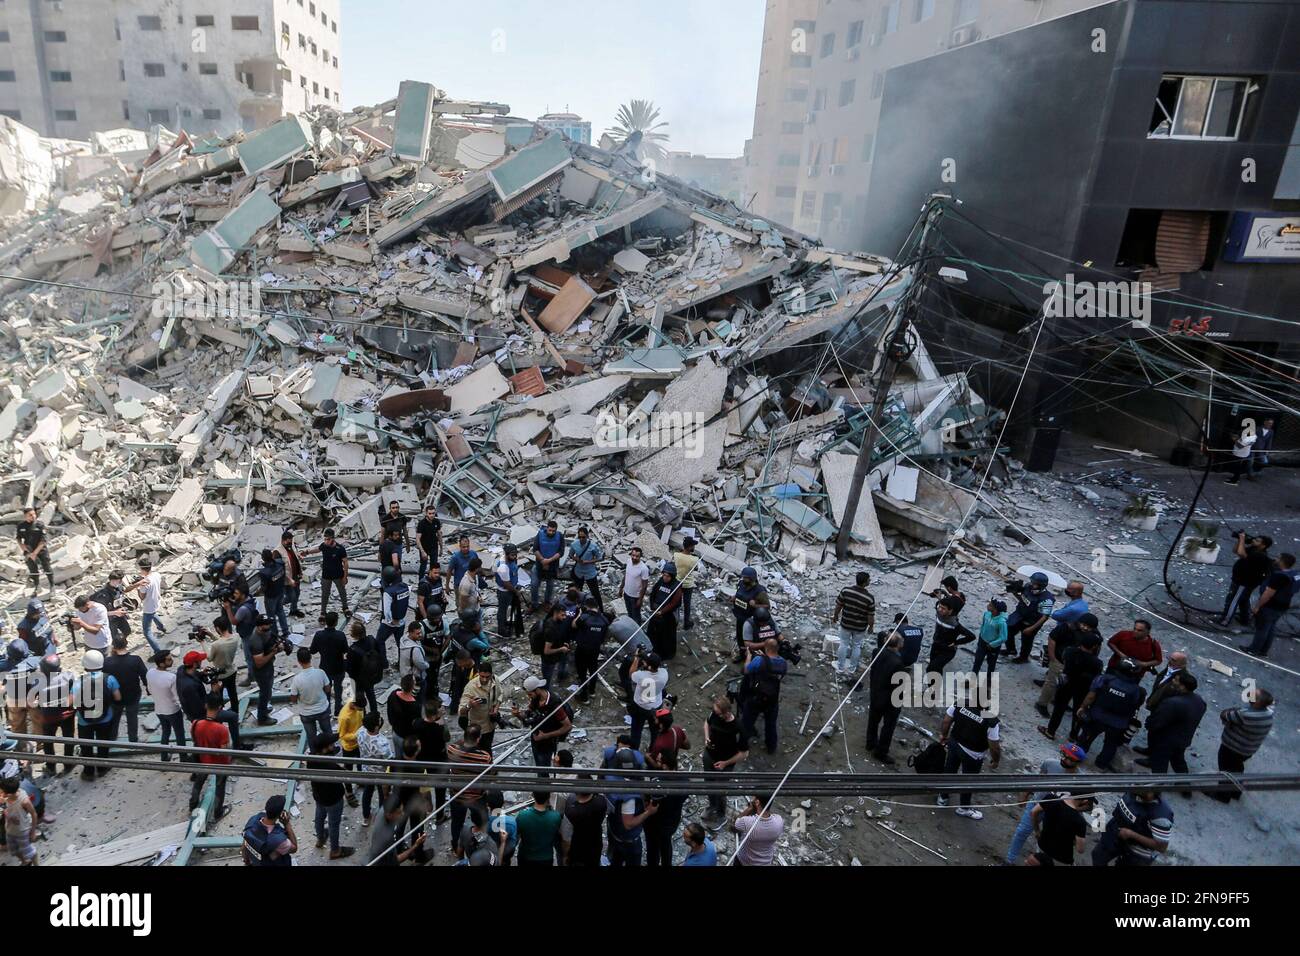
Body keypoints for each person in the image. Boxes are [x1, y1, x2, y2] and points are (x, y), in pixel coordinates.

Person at [1005, 742, 1085, 865]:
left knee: (1049, 842)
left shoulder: (1081, 780)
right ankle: (1009, 860)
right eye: (1064, 755)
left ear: (1077, 763)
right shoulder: (1050, 763)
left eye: (1070, 759)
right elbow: (1038, 780)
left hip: (1056, 813)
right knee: (1022, 831)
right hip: (1038, 802)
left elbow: (1083, 803)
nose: (1064, 759)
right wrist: (1025, 794)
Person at [1076, 658, 1147, 770]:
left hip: (1097, 716)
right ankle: (1101, 764)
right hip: (1119, 723)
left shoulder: (1104, 679)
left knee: (1085, 737)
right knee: (1111, 744)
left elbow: (1091, 696)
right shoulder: (1139, 691)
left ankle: (1076, 757)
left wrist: (1082, 707)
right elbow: (1135, 706)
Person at [937, 698, 1001, 818]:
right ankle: (964, 807)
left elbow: (946, 721)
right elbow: (994, 746)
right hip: (973, 755)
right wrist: (996, 760)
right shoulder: (990, 719)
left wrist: (944, 735)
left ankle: (942, 797)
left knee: (949, 770)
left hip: (955, 744)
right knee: (969, 781)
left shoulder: (960, 704)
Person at [1138, 671, 1206, 779]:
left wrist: (1150, 725)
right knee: (1178, 761)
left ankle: (1156, 787)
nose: (1173, 681)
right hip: (1184, 738)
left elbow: (1159, 721)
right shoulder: (1200, 701)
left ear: (1183, 686)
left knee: (1159, 764)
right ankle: (1184, 785)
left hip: (1166, 740)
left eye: (1176, 680)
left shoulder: (1172, 703)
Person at [1039, 630, 1103, 742]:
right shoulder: (1097, 663)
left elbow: (1065, 662)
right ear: (1094, 647)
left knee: (1059, 709)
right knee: (1078, 712)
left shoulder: (1069, 652)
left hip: (1067, 684)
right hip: (1083, 688)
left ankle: (1051, 731)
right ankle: (1073, 736)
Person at [1213, 687, 1274, 802]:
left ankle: (1223, 796)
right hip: (1248, 749)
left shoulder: (1245, 714)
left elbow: (1225, 714)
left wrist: (1233, 710)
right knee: (1237, 768)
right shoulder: (1268, 714)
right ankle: (1236, 792)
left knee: (1225, 771)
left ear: (1257, 702)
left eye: (1253, 694)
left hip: (1233, 748)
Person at [1036, 612, 1101, 717]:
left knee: (1066, 685)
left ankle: (1057, 700)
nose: (1084, 628)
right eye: (1083, 624)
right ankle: (1042, 704)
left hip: (1076, 666)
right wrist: (1053, 658)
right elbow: (1052, 639)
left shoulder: (1094, 634)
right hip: (1059, 660)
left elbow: (1096, 648)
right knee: (1052, 683)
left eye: (1088, 627)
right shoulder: (1068, 627)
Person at [71, 650, 121, 780]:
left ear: (85, 665)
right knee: (103, 743)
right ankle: (102, 768)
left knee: (86, 747)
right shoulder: (109, 678)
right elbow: (118, 697)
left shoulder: (78, 682)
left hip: (84, 721)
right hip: (105, 718)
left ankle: (88, 772)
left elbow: (70, 702)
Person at [1092, 789, 1173, 866]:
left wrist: (1131, 834)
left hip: (1138, 852)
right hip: (1115, 835)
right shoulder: (1134, 791)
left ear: (1152, 791)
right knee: (1098, 856)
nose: (1135, 784)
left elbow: (1162, 847)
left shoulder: (1161, 816)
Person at [307, 732, 355, 860]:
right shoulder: (330, 766)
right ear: (325, 748)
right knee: (334, 825)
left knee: (319, 817)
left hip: (319, 796)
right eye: (331, 744)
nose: (333, 745)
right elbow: (345, 776)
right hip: (333, 799)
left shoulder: (311, 758)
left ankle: (320, 838)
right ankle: (335, 850)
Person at [605, 749, 656, 867]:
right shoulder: (629, 796)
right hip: (628, 840)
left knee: (616, 859)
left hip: (614, 829)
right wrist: (649, 812)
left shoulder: (609, 776)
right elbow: (628, 824)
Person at [446, 724, 492, 856]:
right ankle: (479, 846)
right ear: (478, 739)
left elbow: (456, 744)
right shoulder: (484, 757)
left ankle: (456, 847)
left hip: (457, 794)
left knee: (457, 822)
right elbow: (489, 776)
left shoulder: (452, 750)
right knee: (480, 822)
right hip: (476, 797)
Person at [702, 696, 749, 823]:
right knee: (708, 783)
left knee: (720, 790)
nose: (717, 716)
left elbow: (744, 754)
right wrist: (707, 738)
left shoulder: (738, 728)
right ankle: (712, 806)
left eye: (719, 714)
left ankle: (721, 813)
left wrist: (725, 763)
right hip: (709, 756)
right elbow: (707, 723)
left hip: (725, 764)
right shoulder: (714, 714)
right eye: (715, 713)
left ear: (727, 712)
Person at [513, 675, 573, 770]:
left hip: (547, 743)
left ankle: (544, 780)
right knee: (539, 763)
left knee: (543, 766)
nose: (529, 697)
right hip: (536, 737)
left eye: (530, 694)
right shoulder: (535, 699)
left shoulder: (554, 705)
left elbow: (567, 726)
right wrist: (518, 715)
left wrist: (545, 736)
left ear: (537, 690)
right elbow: (528, 715)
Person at [1242, 553, 1295, 658]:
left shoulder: (1279, 577)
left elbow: (1268, 593)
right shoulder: (1294, 574)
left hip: (1270, 606)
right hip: (1283, 605)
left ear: (1282, 561)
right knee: (1271, 627)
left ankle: (1253, 649)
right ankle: (1263, 650)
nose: (1276, 559)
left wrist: (1257, 606)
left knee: (1262, 628)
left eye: (1278, 558)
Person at [190, 694, 233, 819]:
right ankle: (218, 812)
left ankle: (193, 804)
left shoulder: (196, 724)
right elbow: (224, 751)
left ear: (205, 706)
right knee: (219, 787)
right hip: (220, 763)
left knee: (198, 782)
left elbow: (195, 740)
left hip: (204, 760)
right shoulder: (222, 729)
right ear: (220, 708)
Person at [866, 633, 905, 763]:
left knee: (873, 720)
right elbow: (898, 686)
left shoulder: (876, 652)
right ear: (898, 644)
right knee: (888, 726)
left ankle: (870, 743)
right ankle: (881, 752)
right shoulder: (898, 663)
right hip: (889, 698)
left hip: (876, 692)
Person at [644, 752, 688, 866]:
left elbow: (651, 803)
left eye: (659, 761)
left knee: (653, 848)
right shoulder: (685, 780)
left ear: (665, 765)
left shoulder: (658, 782)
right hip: (672, 820)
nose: (656, 762)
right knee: (666, 844)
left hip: (656, 822)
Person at [1220, 532, 1272, 626]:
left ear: (1263, 545)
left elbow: (1242, 553)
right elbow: (1236, 551)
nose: (1253, 541)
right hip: (1240, 580)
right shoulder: (1253, 549)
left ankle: (1225, 620)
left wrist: (1243, 539)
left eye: (1257, 541)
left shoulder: (1260, 555)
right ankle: (1245, 619)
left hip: (1244, 582)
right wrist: (1239, 540)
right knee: (1243, 600)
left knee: (1233, 600)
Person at [103, 634, 148, 743]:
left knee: (114, 718)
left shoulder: (107, 661)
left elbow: (104, 679)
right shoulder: (136, 660)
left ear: (113, 646)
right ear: (126, 644)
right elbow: (144, 676)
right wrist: (148, 688)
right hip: (133, 695)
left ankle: (112, 738)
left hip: (115, 696)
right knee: (132, 718)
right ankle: (133, 739)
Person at [1027, 794, 1094, 867]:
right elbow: (1080, 850)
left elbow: (1033, 812)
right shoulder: (1079, 821)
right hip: (1062, 859)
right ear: (1085, 801)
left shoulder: (1051, 799)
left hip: (1042, 847)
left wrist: (1037, 831)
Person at [35, 656, 76, 775]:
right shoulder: (68, 677)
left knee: (48, 742)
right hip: (66, 715)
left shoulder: (38, 681)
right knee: (68, 738)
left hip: (48, 717)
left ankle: (51, 767)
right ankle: (68, 765)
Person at [831, 572, 876, 676]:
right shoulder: (869, 598)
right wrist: (871, 626)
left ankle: (840, 667)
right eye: (869, 580)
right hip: (860, 627)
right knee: (856, 646)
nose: (870, 581)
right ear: (865, 583)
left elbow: (839, 605)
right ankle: (852, 668)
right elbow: (870, 615)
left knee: (843, 644)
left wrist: (835, 616)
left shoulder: (846, 590)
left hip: (846, 623)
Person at [146, 649, 187, 760]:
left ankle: (164, 756)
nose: (171, 661)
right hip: (172, 710)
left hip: (159, 709)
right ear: (161, 663)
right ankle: (183, 757)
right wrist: (183, 709)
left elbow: (149, 689)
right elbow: (177, 696)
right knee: (180, 734)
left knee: (166, 732)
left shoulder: (150, 672)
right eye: (169, 660)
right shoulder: (171, 677)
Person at [356, 710, 394, 825]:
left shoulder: (361, 732)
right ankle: (382, 817)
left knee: (367, 792)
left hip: (367, 769)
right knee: (383, 795)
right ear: (377, 726)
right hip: (381, 774)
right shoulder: (382, 742)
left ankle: (366, 816)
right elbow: (389, 760)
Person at [1007, 571, 1055, 661]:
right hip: (1019, 615)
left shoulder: (1047, 600)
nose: (1031, 584)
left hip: (1031, 622)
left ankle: (1023, 657)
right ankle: (1011, 650)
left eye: (1034, 583)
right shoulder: (1028, 587)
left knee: (1026, 641)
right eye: (1032, 581)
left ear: (1041, 585)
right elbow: (1023, 600)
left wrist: (1031, 628)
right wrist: (1014, 592)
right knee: (1008, 630)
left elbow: (1044, 617)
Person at [370, 794, 427, 866]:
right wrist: (415, 845)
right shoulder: (385, 838)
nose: (403, 814)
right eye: (399, 812)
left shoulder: (384, 810)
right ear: (389, 815)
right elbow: (396, 860)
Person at [289, 647, 333, 743]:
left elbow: (293, 699)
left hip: (306, 713)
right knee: (328, 732)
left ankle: (314, 754)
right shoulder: (320, 673)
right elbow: (328, 689)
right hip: (322, 708)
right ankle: (331, 749)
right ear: (311, 657)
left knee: (311, 736)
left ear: (299, 662)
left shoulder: (297, 679)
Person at [627, 651, 668, 751]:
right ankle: (652, 751)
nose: (643, 662)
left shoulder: (641, 676)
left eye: (645, 662)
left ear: (649, 667)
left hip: (640, 707)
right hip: (656, 706)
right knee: (654, 731)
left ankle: (634, 750)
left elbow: (631, 673)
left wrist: (636, 658)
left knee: (636, 730)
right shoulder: (664, 674)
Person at [563, 777, 609, 866]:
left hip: (577, 850)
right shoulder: (601, 802)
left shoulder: (571, 811)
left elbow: (566, 838)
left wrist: (565, 855)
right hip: (595, 846)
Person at [309, 612, 348, 716]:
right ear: (336, 623)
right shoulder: (340, 635)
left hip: (325, 667)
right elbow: (345, 650)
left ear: (325, 622)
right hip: (338, 666)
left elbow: (312, 651)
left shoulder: (319, 635)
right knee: (338, 688)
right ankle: (337, 708)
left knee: (326, 688)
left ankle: (326, 709)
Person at [458, 661, 502, 752]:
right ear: (478, 673)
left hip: (490, 726)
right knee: (475, 752)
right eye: (482, 676)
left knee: (487, 748)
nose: (485, 680)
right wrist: (469, 705)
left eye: (487, 677)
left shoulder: (495, 680)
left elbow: (500, 694)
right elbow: (461, 711)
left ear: (491, 674)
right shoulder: (471, 687)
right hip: (477, 729)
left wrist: (496, 708)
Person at [242, 795, 297, 866]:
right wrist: (287, 824)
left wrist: (246, 861)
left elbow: (245, 845)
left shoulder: (253, 821)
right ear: (280, 814)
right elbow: (294, 848)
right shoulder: (279, 841)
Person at [247, 616, 282, 726]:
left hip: (268, 665)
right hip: (261, 670)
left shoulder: (264, 631)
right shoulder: (255, 640)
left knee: (268, 690)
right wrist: (274, 652)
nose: (269, 626)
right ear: (260, 626)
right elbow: (259, 662)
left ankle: (264, 708)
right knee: (264, 692)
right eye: (267, 625)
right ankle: (262, 718)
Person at [571, 598, 608, 702]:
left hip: (582, 649)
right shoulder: (604, 620)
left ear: (587, 607)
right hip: (595, 649)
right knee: (593, 669)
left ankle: (584, 696)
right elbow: (604, 637)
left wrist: (579, 614)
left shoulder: (584, 618)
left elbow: (573, 625)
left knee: (582, 671)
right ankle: (592, 691)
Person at [927, 596, 975, 674]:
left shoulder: (954, 624)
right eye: (940, 607)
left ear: (950, 611)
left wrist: (956, 643)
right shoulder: (938, 613)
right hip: (935, 645)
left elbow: (971, 636)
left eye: (943, 608)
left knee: (931, 668)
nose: (940, 610)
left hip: (947, 650)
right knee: (936, 669)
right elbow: (937, 604)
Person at [733, 793, 784, 866]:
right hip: (765, 862)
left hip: (745, 862)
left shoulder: (748, 822)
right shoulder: (779, 820)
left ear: (757, 802)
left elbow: (735, 824)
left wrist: (749, 809)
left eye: (754, 798)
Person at [645, 562, 682, 661]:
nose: (665, 577)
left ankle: (665, 655)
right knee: (653, 633)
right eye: (664, 575)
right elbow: (653, 593)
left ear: (672, 576)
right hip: (656, 611)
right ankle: (653, 651)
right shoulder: (661, 581)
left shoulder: (676, 587)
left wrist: (662, 611)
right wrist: (652, 605)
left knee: (666, 637)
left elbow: (674, 603)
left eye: (667, 576)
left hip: (668, 616)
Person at [515, 791, 563, 866]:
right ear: (549, 797)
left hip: (525, 858)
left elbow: (516, 838)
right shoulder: (556, 817)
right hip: (546, 858)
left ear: (533, 795)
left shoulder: (522, 815)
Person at [310, 528, 350, 616]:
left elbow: (345, 562)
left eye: (328, 539)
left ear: (333, 538)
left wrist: (345, 577)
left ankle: (345, 608)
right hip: (326, 575)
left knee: (342, 592)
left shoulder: (340, 549)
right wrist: (307, 552)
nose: (326, 541)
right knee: (325, 593)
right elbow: (318, 549)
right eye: (325, 539)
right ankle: (323, 612)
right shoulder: (324, 545)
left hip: (338, 574)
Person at [225, 583, 258, 687]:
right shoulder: (249, 599)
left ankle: (251, 677)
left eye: (236, 593)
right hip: (252, 631)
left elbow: (234, 621)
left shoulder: (243, 609)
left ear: (243, 595)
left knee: (249, 658)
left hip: (247, 635)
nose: (234, 595)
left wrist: (228, 609)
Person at [17, 506, 56, 596]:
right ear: (25, 516)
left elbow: (43, 540)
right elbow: (18, 538)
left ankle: (52, 586)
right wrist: (23, 547)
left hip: (41, 550)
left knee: (47, 568)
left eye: (34, 514)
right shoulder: (21, 526)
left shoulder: (40, 525)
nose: (33, 516)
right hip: (28, 551)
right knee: (33, 569)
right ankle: (37, 586)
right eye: (30, 515)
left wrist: (35, 553)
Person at [377, 565, 410, 669]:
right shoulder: (405, 587)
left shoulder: (388, 592)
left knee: (379, 641)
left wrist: (391, 621)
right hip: (401, 621)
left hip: (390, 623)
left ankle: (384, 664)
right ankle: (401, 664)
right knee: (400, 644)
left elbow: (386, 611)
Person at [731, 567, 767, 662]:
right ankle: (742, 654)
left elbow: (767, 606)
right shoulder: (741, 584)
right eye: (743, 577)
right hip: (740, 616)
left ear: (752, 578)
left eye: (746, 578)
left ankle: (751, 657)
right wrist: (734, 597)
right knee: (739, 636)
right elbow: (738, 593)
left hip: (751, 620)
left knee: (749, 639)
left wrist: (756, 605)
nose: (743, 579)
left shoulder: (760, 591)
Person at [336, 694, 365, 810]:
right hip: (349, 746)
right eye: (360, 709)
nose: (361, 711)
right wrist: (356, 735)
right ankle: (348, 792)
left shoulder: (358, 706)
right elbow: (342, 735)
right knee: (348, 770)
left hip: (359, 743)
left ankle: (360, 780)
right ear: (354, 704)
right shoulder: (344, 717)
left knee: (360, 763)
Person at [206, 617, 241, 713]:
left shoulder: (216, 645)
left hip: (220, 674)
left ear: (217, 628)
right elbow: (223, 641)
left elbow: (209, 657)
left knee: (219, 696)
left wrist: (202, 642)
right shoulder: (236, 637)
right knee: (233, 694)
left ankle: (221, 715)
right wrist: (211, 635)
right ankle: (235, 713)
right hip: (231, 671)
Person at [344, 621, 381, 713]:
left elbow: (350, 669)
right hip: (372, 674)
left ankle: (363, 716)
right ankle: (374, 714)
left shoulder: (353, 649)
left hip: (359, 679)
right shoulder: (372, 640)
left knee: (360, 699)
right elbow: (379, 653)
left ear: (354, 635)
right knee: (371, 695)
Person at [1, 775, 39, 865]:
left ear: (8, 794)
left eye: (2, 791)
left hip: (22, 831)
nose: (1, 793)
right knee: (14, 850)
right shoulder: (7, 797)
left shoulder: (24, 801)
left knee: (30, 852)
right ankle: (25, 862)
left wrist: (33, 832)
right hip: (10, 830)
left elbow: (34, 814)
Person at [91, 570, 133, 646]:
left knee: (127, 631)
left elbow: (120, 598)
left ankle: (122, 643)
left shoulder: (119, 587)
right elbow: (100, 613)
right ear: (112, 580)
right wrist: (115, 612)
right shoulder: (103, 595)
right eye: (119, 581)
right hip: (110, 619)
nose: (120, 582)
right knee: (114, 638)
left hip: (120, 616)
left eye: (121, 580)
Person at [257, 549, 290, 644]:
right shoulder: (280, 563)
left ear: (263, 559)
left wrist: (257, 592)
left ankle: (274, 634)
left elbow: (264, 587)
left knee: (271, 616)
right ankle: (285, 631)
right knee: (280, 611)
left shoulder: (264, 572)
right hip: (280, 591)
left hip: (270, 596)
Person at [970, 599, 1008, 677]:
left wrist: (992, 644)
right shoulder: (986, 614)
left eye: (990, 605)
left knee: (991, 664)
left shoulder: (1001, 622)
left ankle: (988, 684)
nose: (988, 606)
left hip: (993, 647)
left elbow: (1003, 637)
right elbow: (983, 625)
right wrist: (981, 635)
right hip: (982, 642)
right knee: (977, 660)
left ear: (996, 610)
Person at [567, 525, 604, 607]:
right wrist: (577, 560)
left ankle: (600, 610)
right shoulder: (574, 544)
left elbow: (600, 558)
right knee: (577, 592)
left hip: (590, 572)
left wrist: (588, 561)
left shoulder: (593, 546)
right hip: (578, 571)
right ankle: (577, 608)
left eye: (583, 537)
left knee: (595, 593)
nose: (581, 539)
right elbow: (571, 555)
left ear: (587, 536)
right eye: (579, 537)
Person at [531, 520, 565, 610]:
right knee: (534, 585)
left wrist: (549, 561)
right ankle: (534, 604)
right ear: (547, 528)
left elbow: (561, 552)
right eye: (550, 530)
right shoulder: (540, 534)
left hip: (552, 566)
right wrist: (542, 560)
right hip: (539, 564)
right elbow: (535, 549)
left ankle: (547, 602)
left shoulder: (560, 536)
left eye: (553, 531)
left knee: (550, 586)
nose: (551, 532)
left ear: (556, 530)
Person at [493, 544, 524, 639]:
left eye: (515, 554)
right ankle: (501, 629)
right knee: (502, 610)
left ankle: (507, 623)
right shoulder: (503, 567)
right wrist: (516, 591)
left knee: (510, 607)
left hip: (512, 587)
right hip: (505, 592)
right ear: (506, 554)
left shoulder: (511, 560)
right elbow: (506, 584)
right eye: (512, 555)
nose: (514, 557)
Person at [386, 674, 420, 756]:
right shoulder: (414, 705)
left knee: (398, 757)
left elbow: (389, 713)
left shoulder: (393, 695)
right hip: (406, 740)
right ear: (412, 687)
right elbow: (415, 725)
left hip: (395, 732)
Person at [673, 537, 701, 630]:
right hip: (688, 585)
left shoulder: (676, 555)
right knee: (687, 605)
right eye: (693, 545)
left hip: (677, 583)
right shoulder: (694, 559)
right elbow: (696, 568)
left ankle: (674, 622)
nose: (694, 547)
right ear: (689, 547)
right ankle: (686, 623)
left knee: (676, 603)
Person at [280, 531, 305, 619]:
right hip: (287, 579)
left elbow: (294, 554)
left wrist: (299, 557)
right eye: (288, 541)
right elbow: (279, 569)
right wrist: (289, 580)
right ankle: (276, 605)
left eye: (291, 541)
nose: (290, 543)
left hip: (295, 575)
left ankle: (293, 610)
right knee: (290, 597)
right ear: (283, 541)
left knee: (297, 593)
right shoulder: (278, 551)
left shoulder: (290, 546)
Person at [415, 505, 442, 580]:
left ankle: (432, 581)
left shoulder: (436, 521)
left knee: (434, 566)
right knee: (423, 566)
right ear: (426, 513)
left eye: (433, 513)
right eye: (430, 513)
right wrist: (422, 551)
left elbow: (439, 535)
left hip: (434, 548)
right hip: (424, 548)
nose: (432, 515)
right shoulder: (422, 524)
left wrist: (441, 548)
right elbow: (417, 539)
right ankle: (421, 582)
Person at [456, 557, 483, 622]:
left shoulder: (475, 577)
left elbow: (476, 589)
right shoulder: (466, 583)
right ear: (476, 569)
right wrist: (466, 616)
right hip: (469, 614)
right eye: (480, 567)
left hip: (476, 608)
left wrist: (478, 597)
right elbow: (463, 601)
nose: (481, 568)